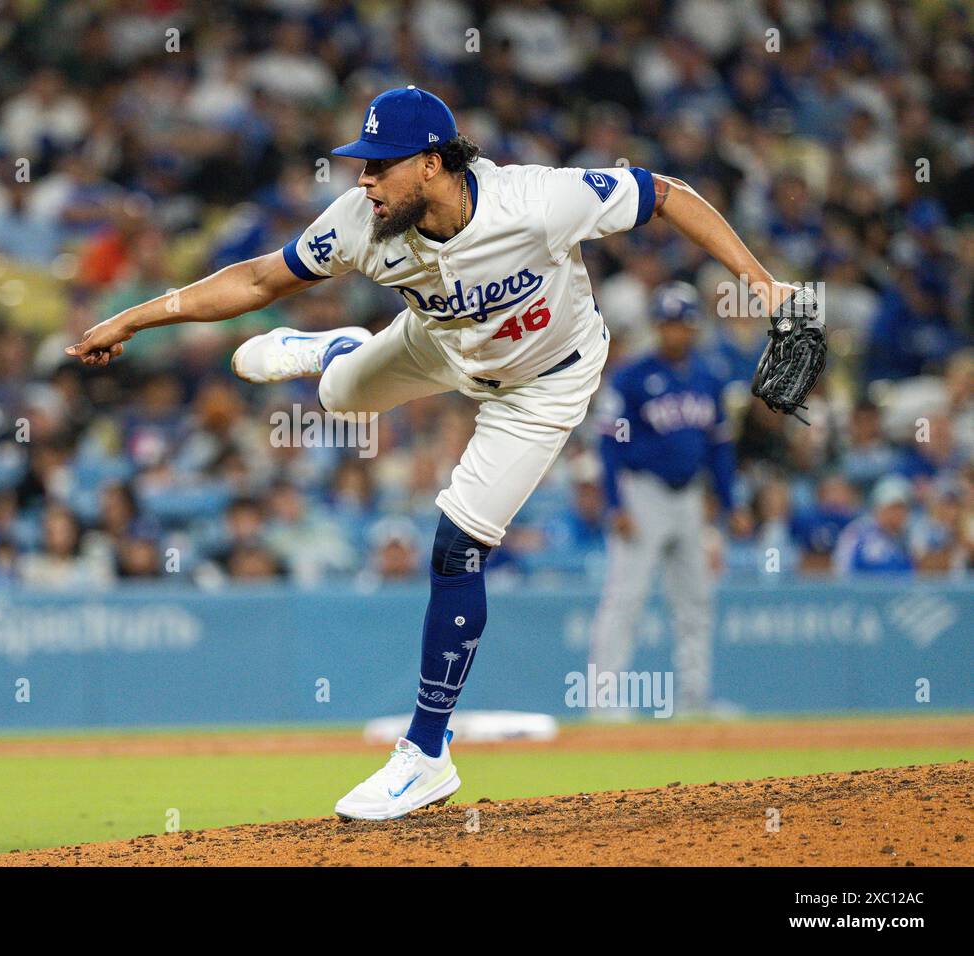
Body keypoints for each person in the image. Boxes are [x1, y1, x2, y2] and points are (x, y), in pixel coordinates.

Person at [66, 86, 801, 820]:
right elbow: (261, 278)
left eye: (380, 165)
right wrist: (135, 318)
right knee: (338, 398)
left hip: (544, 383)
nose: (363, 179)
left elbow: (665, 193)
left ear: (430, 163)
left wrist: (762, 288)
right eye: (362, 164)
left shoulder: (536, 201)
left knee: (457, 547)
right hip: (442, 347)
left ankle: (424, 754)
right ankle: (340, 352)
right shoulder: (363, 223)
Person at [587, 282, 745, 717]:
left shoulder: (710, 376)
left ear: (694, 328)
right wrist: (615, 503)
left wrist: (728, 501)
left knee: (696, 599)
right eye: (668, 323)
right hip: (642, 494)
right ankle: (602, 702)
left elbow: (720, 446)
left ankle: (695, 699)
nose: (675, 331)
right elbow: (608, 445)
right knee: (626, 598)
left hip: (691, 497)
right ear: (657, 326)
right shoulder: (631, 377)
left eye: (683, 323)